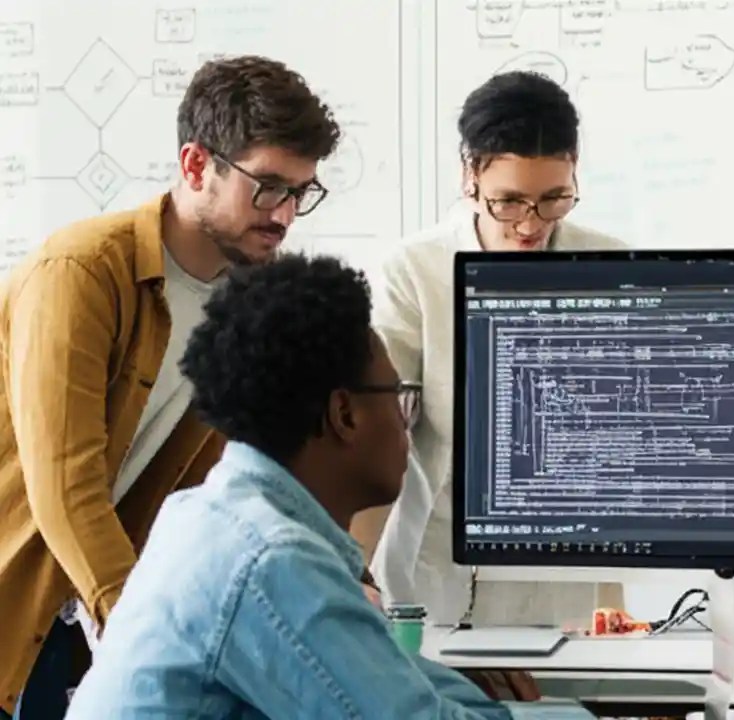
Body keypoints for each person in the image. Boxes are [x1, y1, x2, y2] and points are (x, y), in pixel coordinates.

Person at [0, 54, 340, 719]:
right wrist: (141, 632)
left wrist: (345, 587)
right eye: (268, 187)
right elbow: (66, 486)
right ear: (195, 165)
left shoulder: (248, 298)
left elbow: (249, 479)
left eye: (301, 192)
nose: (285, 214)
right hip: (22, 603)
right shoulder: (83, 272)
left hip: (93, 619)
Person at [64, 254, 521, 719]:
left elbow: (413, 691)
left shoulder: (208, 512)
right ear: (344, 415)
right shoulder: (272, 557)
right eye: (397, 395)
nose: (406, 424)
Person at [353, 70, 627, 633]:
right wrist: (349, 567)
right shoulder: (416, 272)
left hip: (569, 571)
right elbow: (376, 433)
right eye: (509, 202)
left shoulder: (610, 265)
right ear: (470, 176)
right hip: (439, 567)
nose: (530, 224)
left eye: (554, 200)